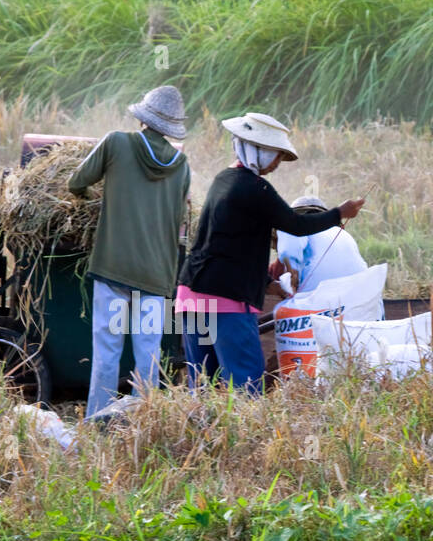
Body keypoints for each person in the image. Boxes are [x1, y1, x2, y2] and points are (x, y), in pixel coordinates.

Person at [177, 112, 364, 392]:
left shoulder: (223, 180)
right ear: (258, 151)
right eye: (275, 155)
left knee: (203, 384)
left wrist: (268, 284)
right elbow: (296, 224)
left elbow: (225, 246)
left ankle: (199, 434)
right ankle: (244, 436)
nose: (277, 163)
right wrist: (339, 213)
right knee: (245, 382)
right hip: (226, 299)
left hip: (191, 293)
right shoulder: (256, 188)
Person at [68, 85, 191, 418]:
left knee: (108, 350)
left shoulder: (117, 142)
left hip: (114, 268)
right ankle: (142, 423)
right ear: (171, 129)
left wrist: (94, 200)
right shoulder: (182, 164)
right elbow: (179, 215)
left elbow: (76, 182)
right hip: (157, 274)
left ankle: (98, 420)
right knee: (148, 353)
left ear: (143, 119)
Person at [268, 195, 368, 300]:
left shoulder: (296, 230)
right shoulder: (345, 235)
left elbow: (286, 273)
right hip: (361, 301)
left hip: (316, 307)